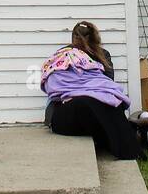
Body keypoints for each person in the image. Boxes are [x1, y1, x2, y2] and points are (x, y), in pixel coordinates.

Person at [41, 21, 141, 160]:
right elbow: (54, 84)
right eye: (75, 37)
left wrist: (89, 88)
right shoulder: (64, 55)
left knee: (107, 101)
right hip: (65, 112)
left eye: (80, 38)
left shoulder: (102, 55)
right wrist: (78, 90)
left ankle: (128, 147)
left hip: (92, 107)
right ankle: (119, 146)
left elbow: (105, 85)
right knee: (87, 102)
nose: (76, 41)